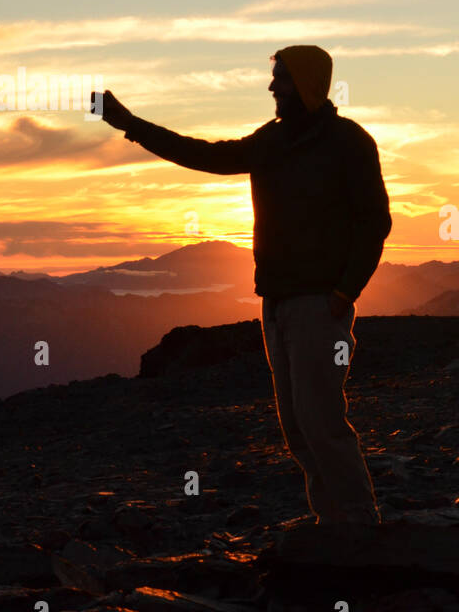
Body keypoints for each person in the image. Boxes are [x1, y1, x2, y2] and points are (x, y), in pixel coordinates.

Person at [95, 45, 390, 525]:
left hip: (319, 304)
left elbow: (374, 222)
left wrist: (344, 292)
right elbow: (205, 155)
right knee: (296, 425)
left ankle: (360, 524)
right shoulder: (272, 141)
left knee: (321, 422)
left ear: (309, 84)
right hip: (275, 303)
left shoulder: (348, 143)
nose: (273, 87)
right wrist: (131, 123)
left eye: (283, 79)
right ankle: (331, 523)